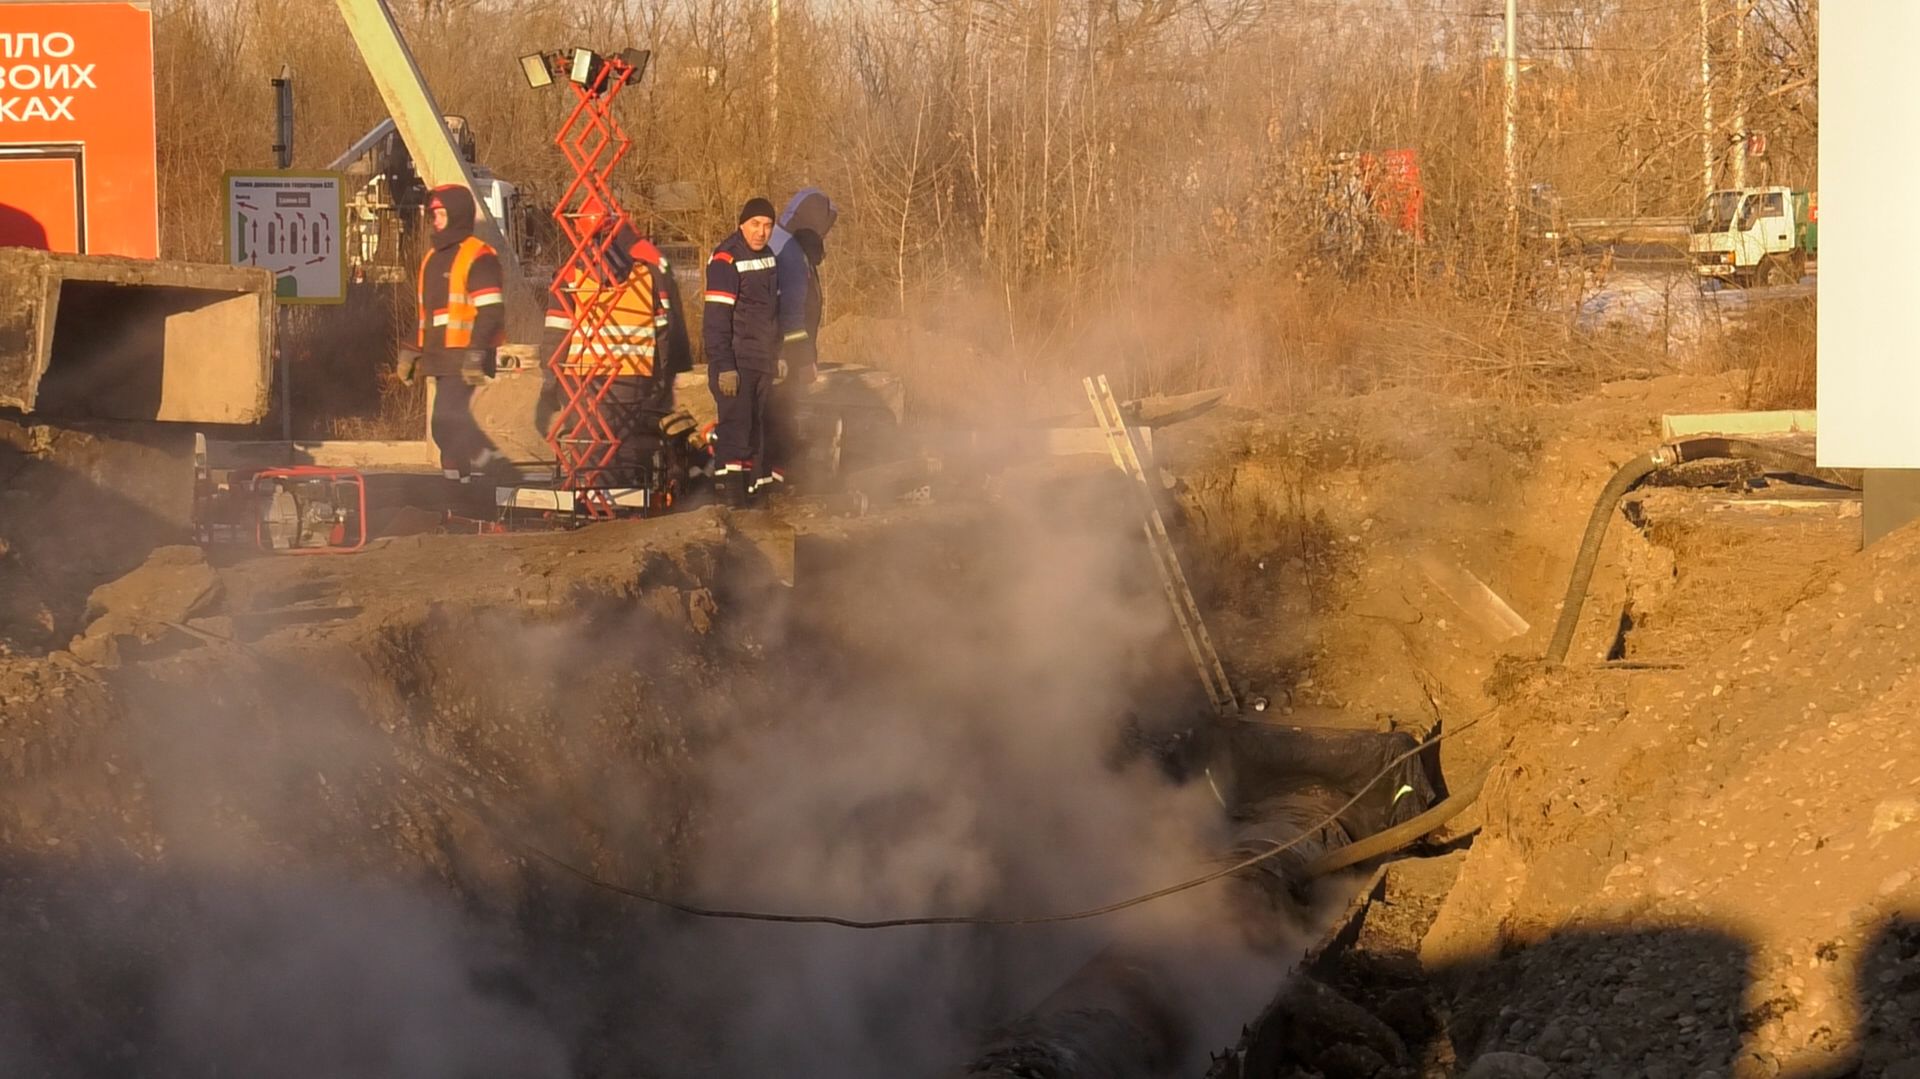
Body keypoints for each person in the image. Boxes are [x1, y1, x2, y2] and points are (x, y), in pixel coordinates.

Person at [537, 199, 684, 493]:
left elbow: (556, 338)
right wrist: (659, 382)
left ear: (579, 232)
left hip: (584, 381)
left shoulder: (569, 276)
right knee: (627, 449)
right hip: (633, 378)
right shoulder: (647, 274)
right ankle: (625, 513)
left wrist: (551, 385)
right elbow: (664, 336)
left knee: (590, 450)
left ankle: (597, 512)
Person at [395, 184, 507, 484]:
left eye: (441, 213)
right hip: (439, 357)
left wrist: (477, 352)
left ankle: (495, 467)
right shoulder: (433, 258)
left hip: (465, 355)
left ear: (457, 215)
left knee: (446, 421)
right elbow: (426, 314)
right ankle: (458, 489)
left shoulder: (478, 256)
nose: (435, 220)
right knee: (446, 430)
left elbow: (491, 310)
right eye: (433, 214)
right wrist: (410, 349)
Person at [704, 197, 782, 507]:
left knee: (759, 427)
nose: (761, 232)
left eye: (767, 226)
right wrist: (724, 365)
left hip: (762, 359)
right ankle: (730, 500)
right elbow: (716, 319)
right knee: (735, 429)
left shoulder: (769, 258)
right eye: (755, 225)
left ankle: (757, 498)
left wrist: (780, 355)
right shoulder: (726, 259)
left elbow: (773, 314)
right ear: (742, 224)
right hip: (736, 361)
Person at [764, 187, 839, 495]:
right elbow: (791, 313)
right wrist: (801, 357)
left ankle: (773, 479)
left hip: (780, 352)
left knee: (778, 417)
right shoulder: (788, 252)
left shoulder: (787, 245)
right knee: (776, 418)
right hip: (781, 355)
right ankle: (772, 486)